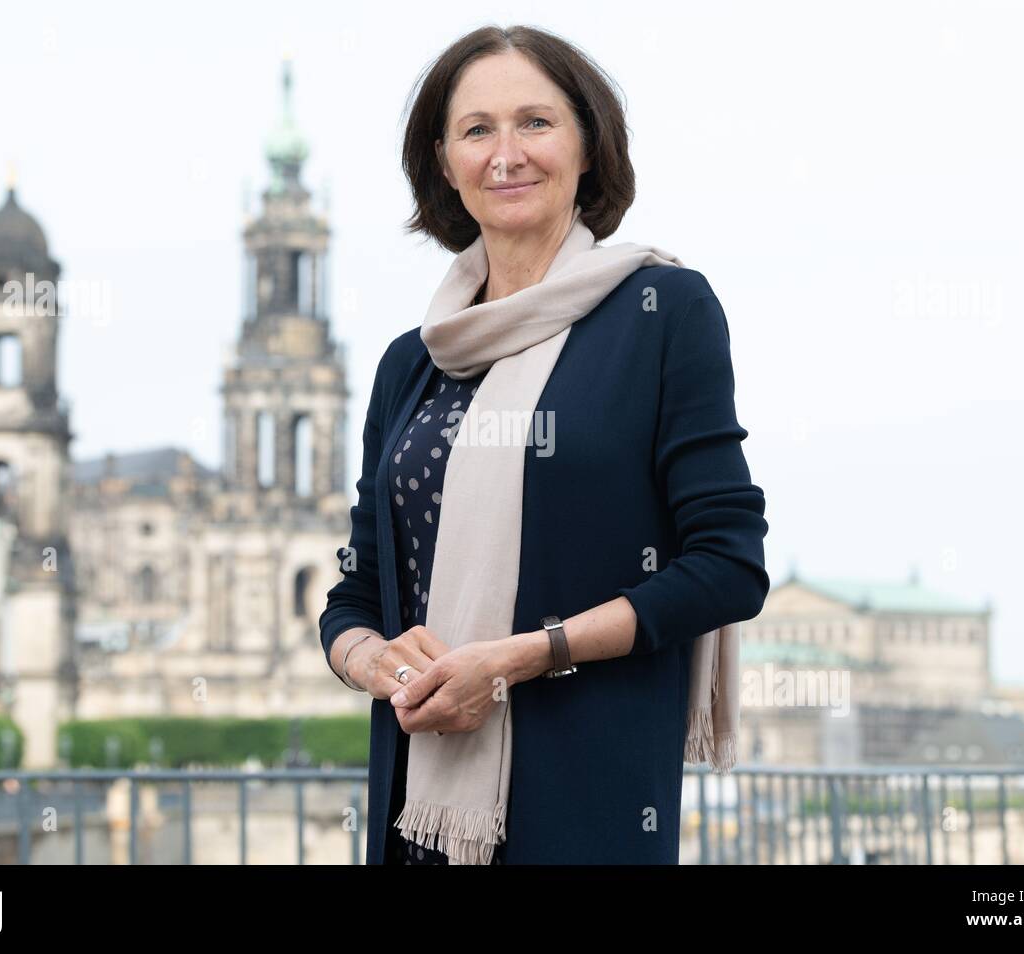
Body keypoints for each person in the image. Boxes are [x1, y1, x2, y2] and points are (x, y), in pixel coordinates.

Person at [319, 24, 770, 865]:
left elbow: (728, 567)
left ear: (589, 147)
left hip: (585, 808)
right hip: (417, 819)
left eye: (536, 122)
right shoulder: (410, 363)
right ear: (445, 163)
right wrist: (377, 663)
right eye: (477, 129)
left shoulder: (662, 314)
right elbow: (357, 597)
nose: (507, 153)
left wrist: (522, 657)